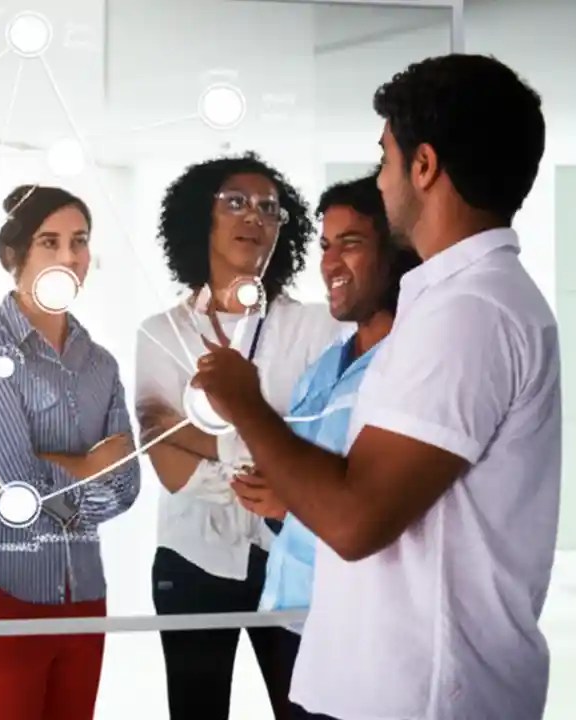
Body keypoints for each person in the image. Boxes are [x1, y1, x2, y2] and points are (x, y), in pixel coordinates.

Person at [191, 54, 558, 720]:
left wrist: (244, 403)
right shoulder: (448, 305)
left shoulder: (469, 313)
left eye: (386, 158)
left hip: (416, 699)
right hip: (383, 688)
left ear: (424, 167)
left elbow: (356, 519)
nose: (382, 179)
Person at [134, 152, 345, 720]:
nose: (254, 215)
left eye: (269, 207)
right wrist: (266, 447)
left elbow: (323, 443)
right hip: (192, 556)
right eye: (236, 201)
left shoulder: (318, 327)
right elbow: (166, 463)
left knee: (305, 709)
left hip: (291, 552)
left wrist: (205, 439)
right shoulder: (161, 334)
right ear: (199, 216)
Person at [0, 184, 141, 720]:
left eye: (79, 241)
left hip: (82, 592)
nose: (70, 257)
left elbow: (128, 485)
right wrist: (92, 466)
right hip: (2, 585)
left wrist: (59, 483)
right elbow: (13, 481)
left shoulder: (101, 364)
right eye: (50, 242)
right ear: (14, 256)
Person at [234, 174, 421, 689]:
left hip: (358, 634)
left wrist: (243, 404)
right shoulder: (323, 366)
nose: (330, 262)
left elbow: (387, 509)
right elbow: (299, 475)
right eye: (325, 245)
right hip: (288, 618)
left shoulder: (412, 366)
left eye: (351, 243)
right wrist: (277, 501)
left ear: (397, 252)